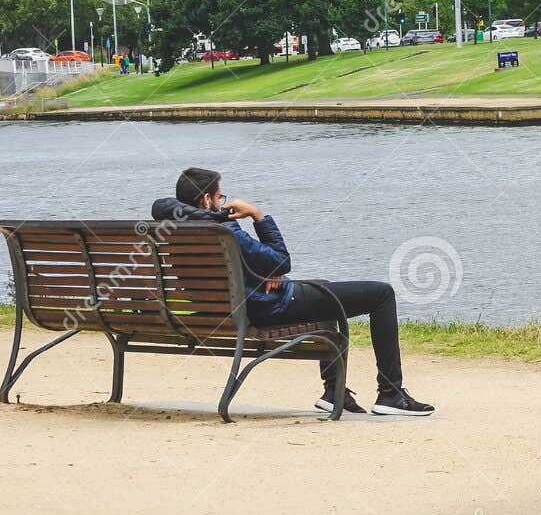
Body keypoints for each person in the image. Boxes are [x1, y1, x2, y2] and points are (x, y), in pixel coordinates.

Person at [151, 167, 433, 417]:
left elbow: (251, 265)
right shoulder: (222, 229)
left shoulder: (174, 229)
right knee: (381, 294)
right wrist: (257, 215)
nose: (222, 202)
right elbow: (282, 259)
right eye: (220, 197)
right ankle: (390, 393)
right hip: (266, 308)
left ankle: (334, 392)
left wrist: (266, 269)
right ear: (206, 200)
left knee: (323, 287)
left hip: (228, 310)